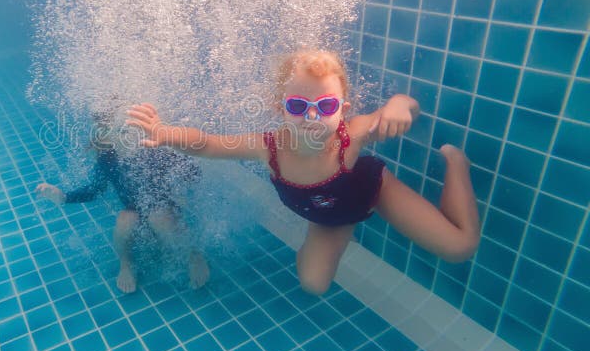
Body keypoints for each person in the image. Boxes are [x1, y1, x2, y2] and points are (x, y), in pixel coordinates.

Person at [126, 49, 480, 295]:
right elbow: (207, 144)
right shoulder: (268, 147)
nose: (312, 116)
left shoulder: (352, 135)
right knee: (313, 284)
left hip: (373, 191)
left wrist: (400, 105)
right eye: (298, 105)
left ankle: (457, 163)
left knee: (460, 247)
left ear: (343, 108)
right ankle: (334, 235)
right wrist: (165, 133)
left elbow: (405, 107)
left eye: (325, 105)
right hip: (331, 217)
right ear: (279, 107)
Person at [36, 110, 209, 293]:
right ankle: (126, 264)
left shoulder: (151, 149)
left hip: (164, 209)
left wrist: (183, 192)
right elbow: (94, 189)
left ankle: (194, 256)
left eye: (123, 130)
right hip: (135, 210)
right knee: (125, 219)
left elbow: (191, 170)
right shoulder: (107, 159)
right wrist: (64, 197)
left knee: (157, 216)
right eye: (109, 132)